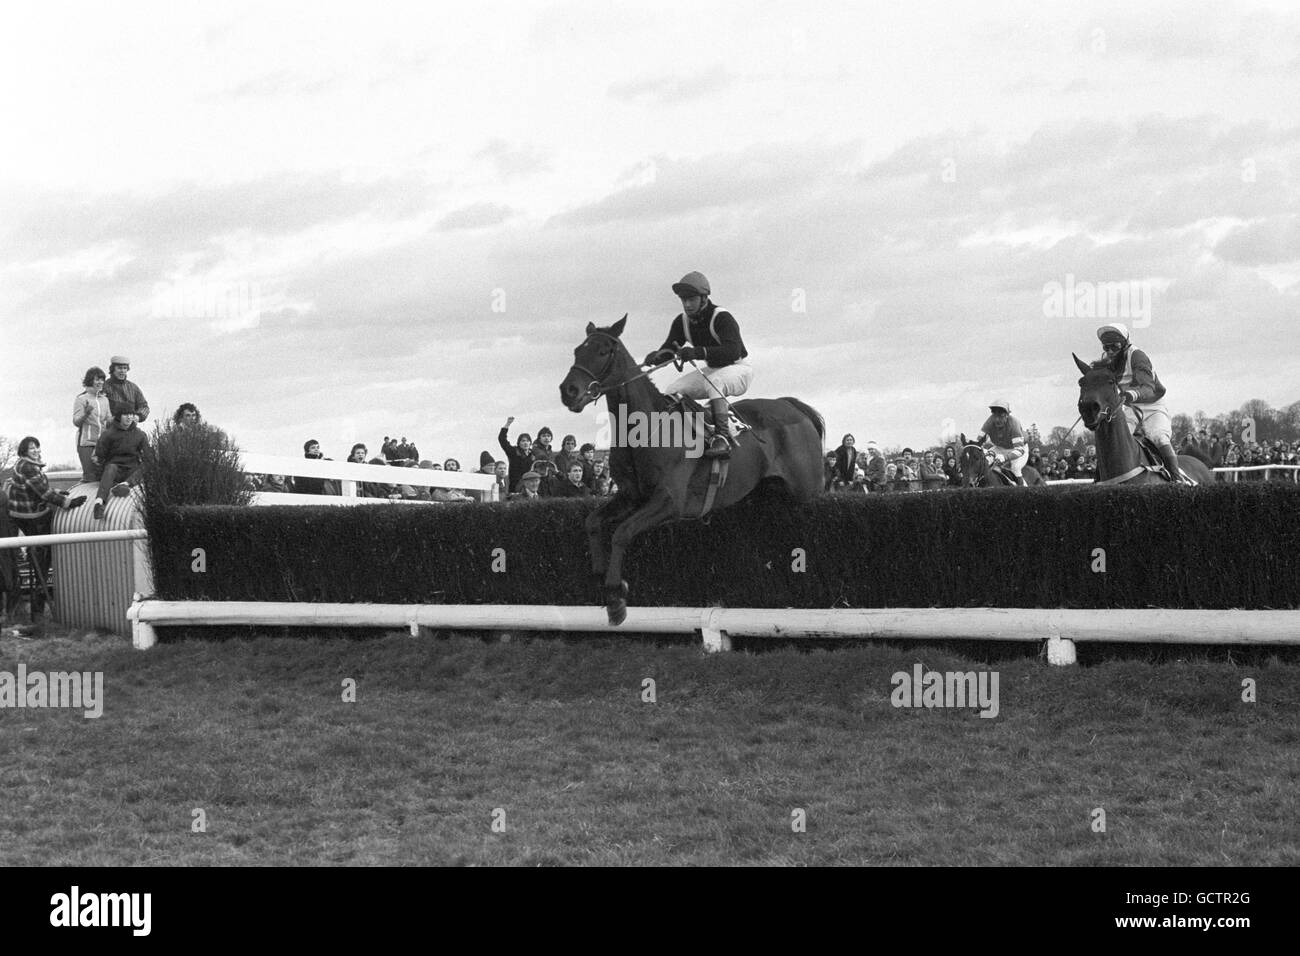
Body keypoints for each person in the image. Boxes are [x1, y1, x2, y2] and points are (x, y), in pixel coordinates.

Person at [643, 271, 752, 458]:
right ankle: (692, 435)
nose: (687, 305)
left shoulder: (722, 317)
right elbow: (669, 347)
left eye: (691, 299)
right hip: (712, 371)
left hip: (738, 370)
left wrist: (697, 352)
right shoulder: (682, 322)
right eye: (683, 300)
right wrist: (656, 357)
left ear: (704, 298)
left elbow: (733, 351)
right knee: (672, 390)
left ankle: (722, 438)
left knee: (715, 382)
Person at [1090, 323, 1187, 483]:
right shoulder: (1108, 362)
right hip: (1131, 407)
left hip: (1153, 405)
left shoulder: (1137, 356)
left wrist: (1130, 394)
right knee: (1115, 439)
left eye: (1114, 346)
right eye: (1106, 348)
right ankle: (1099, 480)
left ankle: (1177, 481)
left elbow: (1148, 387)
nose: (1110, 352)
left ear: (1124, 343)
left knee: (1159, 437)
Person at [4, 437, 87, 619]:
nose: (35, 450)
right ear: (24, 451)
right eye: (31, 448)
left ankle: (37, 606)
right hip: (32, 515)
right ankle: (38, 609)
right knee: (43, 557)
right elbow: (43, 493)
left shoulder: (23, 465)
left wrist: (57, 493)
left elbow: (37, 489)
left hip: (22, 514)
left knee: (40, 558)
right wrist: (68, 502)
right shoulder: (28, 467)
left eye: (36, 447)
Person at [90, 403, 154, 520]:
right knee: (110, 468)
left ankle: (124, 486)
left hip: (132, 471)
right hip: (116, 471)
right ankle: (99, 503)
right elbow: (99, 457)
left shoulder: (139, 435)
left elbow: (149, 456)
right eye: (126, 414)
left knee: (146, 466)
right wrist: (101, 476)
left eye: (131, 414)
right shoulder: (108, 434)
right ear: (119, 416)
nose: (129, 417)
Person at [973, 400, 1028, 485]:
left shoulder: (1014, 424)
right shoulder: (989, 422)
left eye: (1001, 416)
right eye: (995, 415)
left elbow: (1020, 450)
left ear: (1007, 415)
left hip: (1018, 449)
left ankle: (1023, 490)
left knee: (1015, 468)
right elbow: (978, 442)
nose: (997, 419)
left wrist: (1005, 458)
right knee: (985, 461)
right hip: (1000, 448)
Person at [72, 367, 112, 481]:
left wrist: (118, 418)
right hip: (86, 444)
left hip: (102, 444)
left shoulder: (105, 400)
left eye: (102, 380)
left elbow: (108, 419)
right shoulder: (81, 399)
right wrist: (86, 413)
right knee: (90, 477)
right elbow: (76, 421)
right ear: (90, 381)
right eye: (97, 380)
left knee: (103, 476)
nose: (100, 382)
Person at [103, 355, 149, 422]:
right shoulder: (104, 386)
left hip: (130, 427)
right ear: (113, 369)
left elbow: (144, 406)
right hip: (111, 427)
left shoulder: (133, 388)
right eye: (119, 368)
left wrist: (138, 416)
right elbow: (90, 400)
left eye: (125, 368)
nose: (122, 371)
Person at [498, 417, 538, 491]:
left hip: (531, 486)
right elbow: (502, 439)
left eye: (527, 441)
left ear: (530, 443)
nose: (525, 443)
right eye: (523, 441)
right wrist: (508, 424)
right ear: (519, 443)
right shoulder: (513, 452)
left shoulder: (534, 455)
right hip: (516, 487)